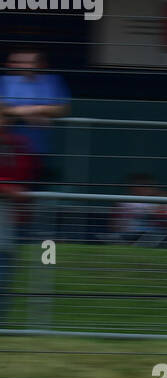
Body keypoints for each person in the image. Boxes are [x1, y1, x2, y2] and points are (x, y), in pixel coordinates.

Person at [0, 50, 69, 185]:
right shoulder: (5, 81)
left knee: (33, 189)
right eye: (19, 62)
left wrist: (35, 109)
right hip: (10, 149)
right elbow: (2, 108)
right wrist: (25, 113)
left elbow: (62, 109)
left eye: (29, 62)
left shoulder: (52, 80)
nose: (24, 65)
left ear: (41, 64)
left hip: (39, 148)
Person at [0, 109, 36, 326]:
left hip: (10, 220)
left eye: (4, 117)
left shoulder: (18, 144)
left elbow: (26, 176)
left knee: (4, 276)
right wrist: (5, 186)